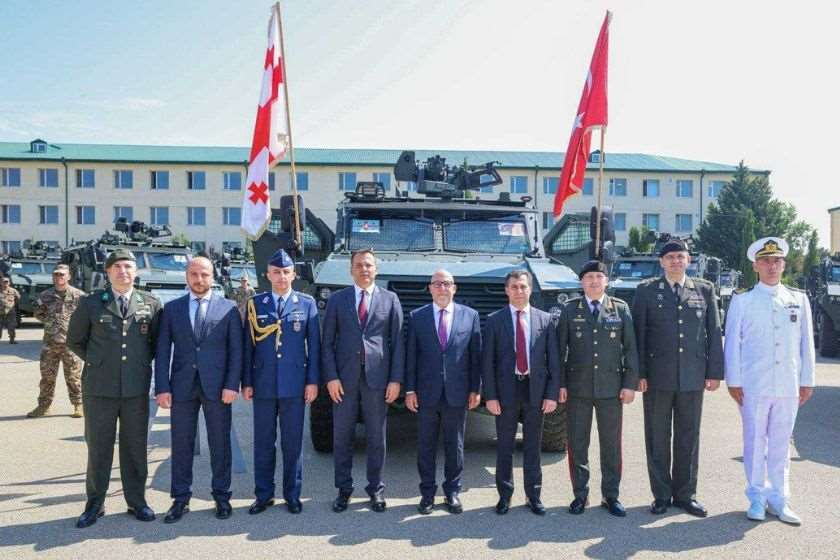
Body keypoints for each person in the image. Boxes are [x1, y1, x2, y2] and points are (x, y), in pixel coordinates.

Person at [67, 249, 162, 528]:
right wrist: (98, 362)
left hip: (135, 388)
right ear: (108, 272)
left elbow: (156, 343)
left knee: (135, 447)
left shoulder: (151, 303)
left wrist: (139, 363)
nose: (123, 272)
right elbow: (75, 340)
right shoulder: (91, 303)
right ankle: (95, 504)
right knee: (99, 448)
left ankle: (137, 501)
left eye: (128, 267)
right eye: (117, 267)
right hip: (99, 388)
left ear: (136, 272)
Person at [724, 237, 815, 525]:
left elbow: (806, 344)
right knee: (754, 442)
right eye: (765, 261)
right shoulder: (743, 299)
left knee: (780, 444)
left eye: (777, 261)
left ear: (784, 264)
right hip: (754, 383)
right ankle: (756, 498)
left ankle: (779, 499)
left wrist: (807, 380)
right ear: (755, 266)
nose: (772, 266)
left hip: (788, 384)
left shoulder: (798, 299)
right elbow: (733, 344)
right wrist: (734, 381)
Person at [632, 239, 724, 517]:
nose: (675, 261)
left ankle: (686, 495)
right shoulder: (646, 291)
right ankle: (661, 495)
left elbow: (714, 332)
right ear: (661, 262)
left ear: (689, 260)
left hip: (692, 377)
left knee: (688, 437)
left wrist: (714, 372)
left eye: (680, 256)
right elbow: (638, 336)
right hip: (657, 378)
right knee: (658, 437)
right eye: (670, 257)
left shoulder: (704, 290)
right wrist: (639, 375)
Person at [154, 256, 243, 523]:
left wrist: (231, 384)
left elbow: (236, 351)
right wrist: (162, 387)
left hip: (218, 389)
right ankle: (180, 499)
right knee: (181, 445)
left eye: (204, 274)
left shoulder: (228, 309)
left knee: (220, 444)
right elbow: (162, 351)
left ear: (212, 276)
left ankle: (222, 497)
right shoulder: (172, 309)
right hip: (181, 387)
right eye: (194, 274)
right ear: (186, 277)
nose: (199, 279)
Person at [321, 248, 404, 513]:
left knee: (376, 438)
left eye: (369, 265)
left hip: (378, 380)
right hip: (344, 380)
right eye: (359, 265)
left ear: (376, 269)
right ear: (351, 270)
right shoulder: (337, 300)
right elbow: (327, 344)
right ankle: (343, 490)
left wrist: (396, 380)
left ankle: (376, 490)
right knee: (342, 437)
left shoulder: (390, 300)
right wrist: (331, 378)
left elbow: (398, 342)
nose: (364, 269)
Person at [557, 260, 639, 517]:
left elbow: (631, 350)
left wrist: (629, 385)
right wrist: (559, 384)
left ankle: (610, 495)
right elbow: (560, 352)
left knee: (611, 445)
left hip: (611, 389)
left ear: (606, 281)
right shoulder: (570, 310)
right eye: (589, 277)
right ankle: (580, 495)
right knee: (578, 444)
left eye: (598, 277)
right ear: (582, 282)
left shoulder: (620, 308)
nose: (594, 281)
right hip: (578, 389)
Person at [243, 249, 320, 515]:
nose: (281, 277)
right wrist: (247, 381)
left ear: (294, 274)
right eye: (276, 272)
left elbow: (315, 348)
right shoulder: (256, 304)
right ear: (267, 275)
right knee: (263, 442)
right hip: (263, 383)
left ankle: (292, 494)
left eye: (286, 272)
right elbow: (247, 347)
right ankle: (263, 495)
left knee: (292, 442)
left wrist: (312, 382)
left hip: (295, 385)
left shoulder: (306, 304)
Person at [482, 270, 560, 516]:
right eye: (514, 287)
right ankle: (504, 496)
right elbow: (488, 363)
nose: (518, 291)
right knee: (504, 445)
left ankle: (533, 495)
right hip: (506, 391)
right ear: (506, 290)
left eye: (523, 287)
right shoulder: (495, 320)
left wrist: (551, 394)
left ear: (530, 290)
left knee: (532, 446)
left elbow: (554, 361)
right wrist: (490, 396)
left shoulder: (545, 320)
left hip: (535, 390)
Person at [405, 269, 481, 515]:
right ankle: (427, 494)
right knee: (425, 446)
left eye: (446, 283)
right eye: (436, 284)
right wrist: (410, 390)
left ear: (454, 288)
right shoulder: (418, 317)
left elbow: (475, 357)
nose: (442, 288)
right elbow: (411, 357)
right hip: (426, 393)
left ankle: (452, 493)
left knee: (454, 445)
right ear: (429, 288)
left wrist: (475, 389)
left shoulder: (470, 316)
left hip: (457, 393)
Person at [28, 264, 85, 418]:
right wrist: (51, 322)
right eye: (56, 274)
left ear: (69, 276)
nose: (59, 277)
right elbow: (38, 313)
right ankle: (43, 407)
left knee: (74, 377)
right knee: (47, 377)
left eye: (62, 274)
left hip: (71, 344)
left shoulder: (80, 296)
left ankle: (78, 406)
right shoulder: (45, 295)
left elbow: (86, 317)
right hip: (50, 343)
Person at [0, 276, 21, 344]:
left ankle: (12, 339)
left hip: (10, 313)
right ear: (0, 282)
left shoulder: (13, 291)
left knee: (11, 326)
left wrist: (11, 305)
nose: (5, 283)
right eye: (4, 281)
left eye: (7, 282)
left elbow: (18, 298)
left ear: (9, 283)